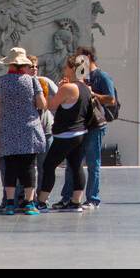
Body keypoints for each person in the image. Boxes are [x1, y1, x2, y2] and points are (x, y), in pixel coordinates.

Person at [59, 45, 117, 210]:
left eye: (79, 58)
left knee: (93, 162)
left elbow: (111, 99)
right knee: (73, 163)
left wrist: (92, 94)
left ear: (88, 58)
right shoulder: (80, 76)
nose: (77, 61)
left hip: (95, 125)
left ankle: (93, 198)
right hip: (80, 124)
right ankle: (68, 197)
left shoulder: (102, 76)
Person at [0, 47, 47, 216]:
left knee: (10, 167)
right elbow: (41, 104)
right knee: (29, 166)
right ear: (24, 65)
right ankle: (29, 203)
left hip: (7, 127)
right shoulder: (31, 81)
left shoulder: (1, 81)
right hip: (28, 128)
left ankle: (10, 203)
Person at [37, 54, 97, 211]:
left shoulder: (68, 88)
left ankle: (42, 201)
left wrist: (41, 92)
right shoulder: (86, 88)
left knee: (49, 165)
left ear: (73, 69)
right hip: (80, 133)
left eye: (66, 67)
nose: (63, 69)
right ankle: (76, 201)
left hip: (66, 134)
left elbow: (50, 105)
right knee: (76, 165)